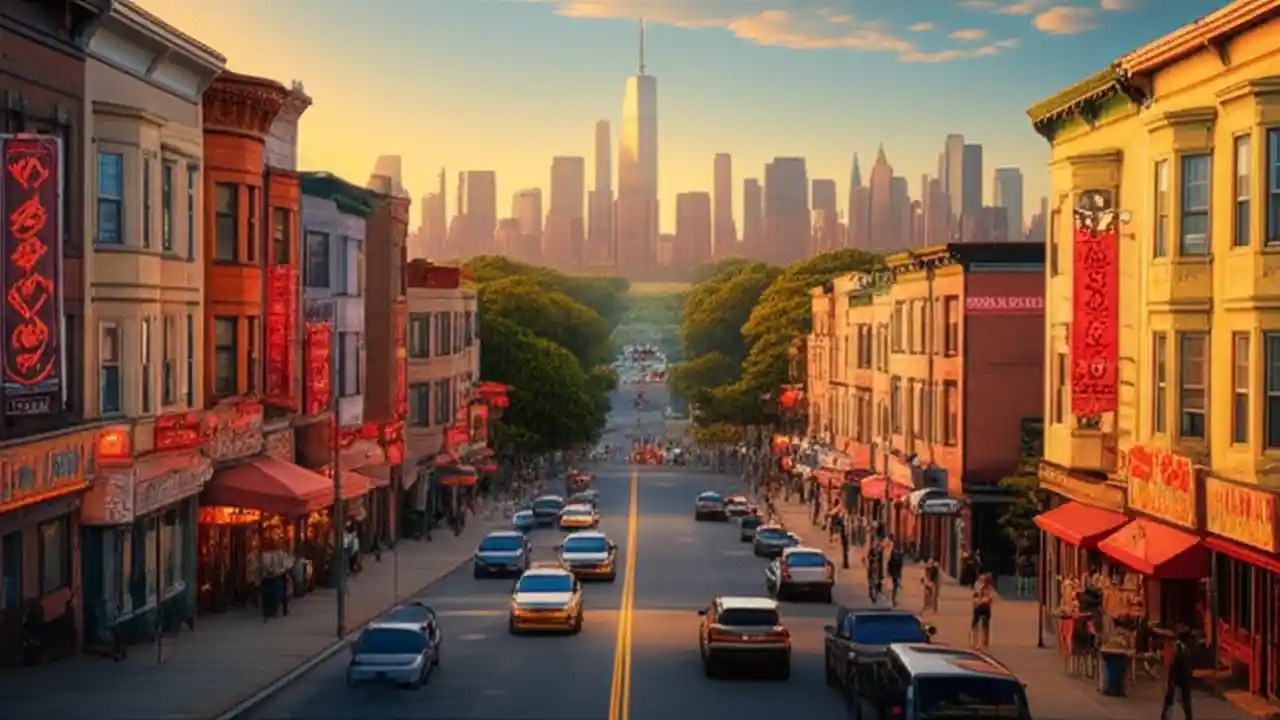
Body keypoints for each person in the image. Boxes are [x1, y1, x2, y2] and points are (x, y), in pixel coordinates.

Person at [1161, 629, 1195, 720]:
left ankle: (1165, 717)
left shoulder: (1175, 648)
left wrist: (1169, 680)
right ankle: (1188, 717)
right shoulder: (1186, 648)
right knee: (1185, 700)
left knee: (1170, 699)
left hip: (1178, 677)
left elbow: (1172, 664)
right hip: (1185, 677)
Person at [971, 573, 995, 650]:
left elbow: (990, 598)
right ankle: (975, 642)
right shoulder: (978, 586)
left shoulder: (989, 588)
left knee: (984, 626)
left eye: (983, 580)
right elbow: (975, 595)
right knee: (976, 625)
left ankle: (982, 642)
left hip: (984, 606)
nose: (982, 581)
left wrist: (981, 600)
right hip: (979, 606)